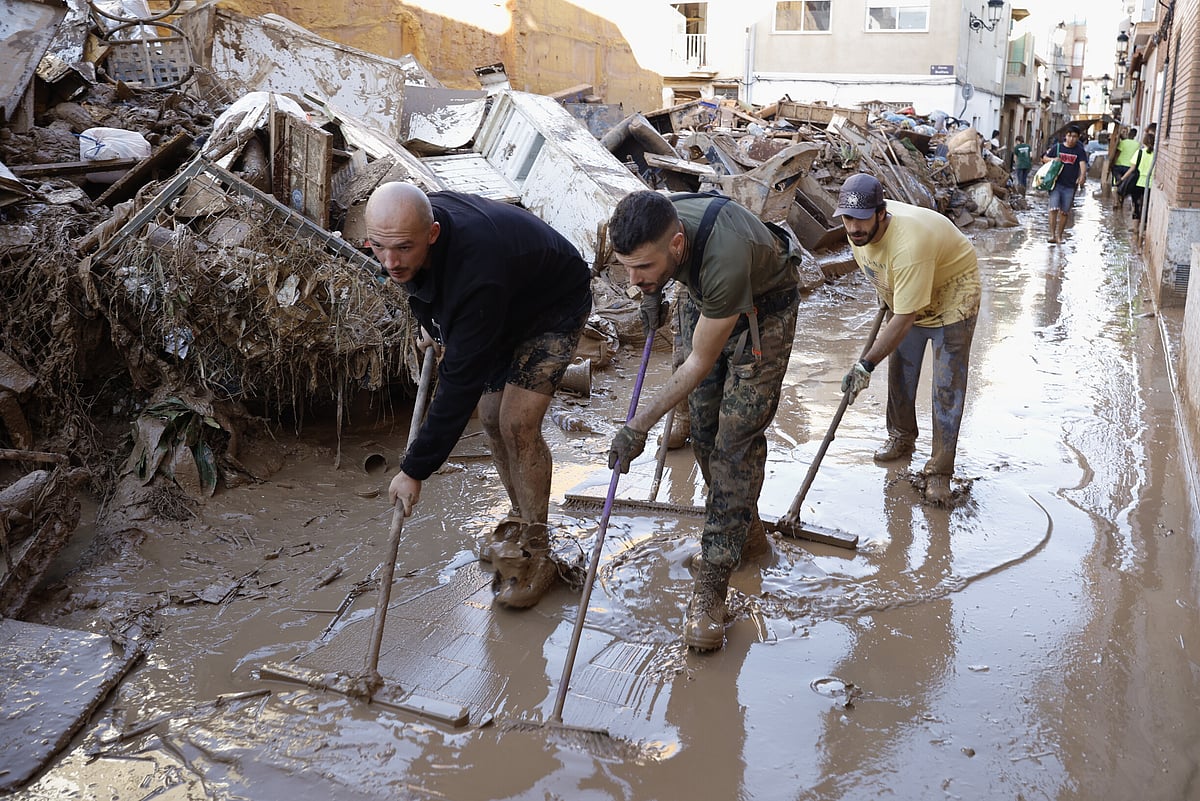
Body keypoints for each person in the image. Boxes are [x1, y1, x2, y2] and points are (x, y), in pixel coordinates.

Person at [364, 182, 592, 609]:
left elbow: (458, 386)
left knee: (517, 423)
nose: (390, 261)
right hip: (502, 303)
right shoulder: (406, 233)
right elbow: (416, 282)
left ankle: (538, 549)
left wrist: (415, 469)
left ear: (432, 234)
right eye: (378, 247)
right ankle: (519, 519)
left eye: (403, 248)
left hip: (552, 304)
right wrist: (432, 322)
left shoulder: (477, 273)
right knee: (490, 417)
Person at [605, 190, 799, 652]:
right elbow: (655, 269)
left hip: (764, 310)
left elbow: (696, 364)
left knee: (734, 444)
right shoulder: (658, 221)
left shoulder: (724, 257)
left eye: (643, 268)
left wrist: (638, 425)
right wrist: (650, 292)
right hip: (702, 295)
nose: (633, 279)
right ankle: (746, 538)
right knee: (704, 432)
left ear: (677, 245)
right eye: (626, 268)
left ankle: (711, 588)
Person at [832, 174, 981, 507]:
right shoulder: (857, 235)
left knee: (946, 386)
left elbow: (904, 318)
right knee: (901, 370)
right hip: (909, 292)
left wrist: (865, 364)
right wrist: (887, 292)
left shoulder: (910, 244)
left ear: (881, 214)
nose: (853, 227)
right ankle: (901, 437)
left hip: (953, 292)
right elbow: (881, 270)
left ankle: (940, 472)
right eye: (847, 218)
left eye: (861, 219)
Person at [1041, 124, 1089, 244]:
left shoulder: (1079, 151)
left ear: (1078, 137)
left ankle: (1059, 236)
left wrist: (1082, 176)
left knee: (1064, 212)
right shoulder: (1057, 148)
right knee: (1053, 209)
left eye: (1074, 136)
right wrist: (1053, 159)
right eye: (1069, 136)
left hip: (1070, 186)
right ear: (1065, 136)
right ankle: (1052, 235)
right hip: (1055, 184)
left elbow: (1083, 164)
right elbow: (1044, 158)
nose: (1071, 139)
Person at [1110, 127, 1139, 209]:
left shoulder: (1123, 143)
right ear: (1135, 136)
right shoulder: (1137, 144)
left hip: (1118, 166)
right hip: (1129, 168)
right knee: (1123, 185)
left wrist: (1112, 164)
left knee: (1115, 184)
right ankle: (1121, 202)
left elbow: (1117, 154)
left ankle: (1115, 201)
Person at [1128, 132, 1155, 221]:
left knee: (1136, 207)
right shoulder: (1156, 155)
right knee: (1146, 207)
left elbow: (1132, 168)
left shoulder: (1139, 152)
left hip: (1137, 183)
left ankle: (1136, 228)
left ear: (1144, 142)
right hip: (1150, 184)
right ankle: (1144, 226)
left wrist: (1122, 179)